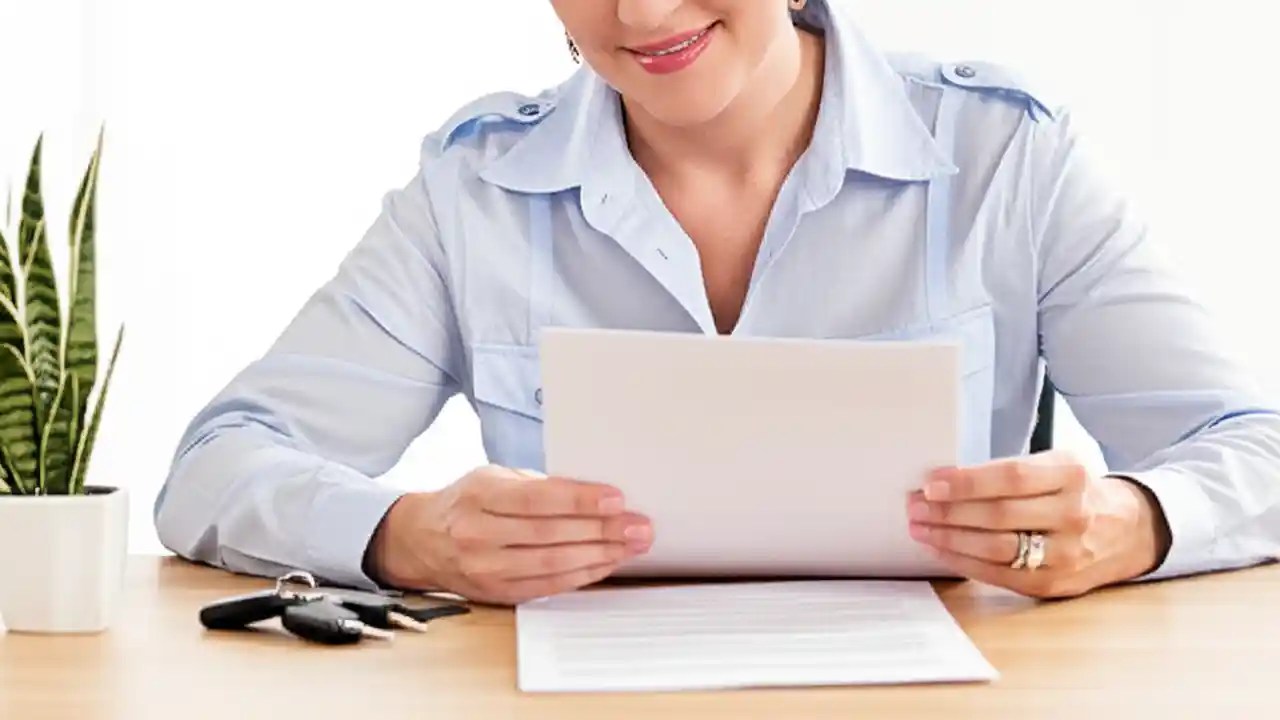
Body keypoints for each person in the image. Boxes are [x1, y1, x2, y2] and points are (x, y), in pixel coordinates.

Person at [155, 0, 1280, 606]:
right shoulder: (473, 191)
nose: (639, 11)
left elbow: (1253, 451)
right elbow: (218, 468)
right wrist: (406, 537)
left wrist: (1126, 524)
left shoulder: (1003, 157)